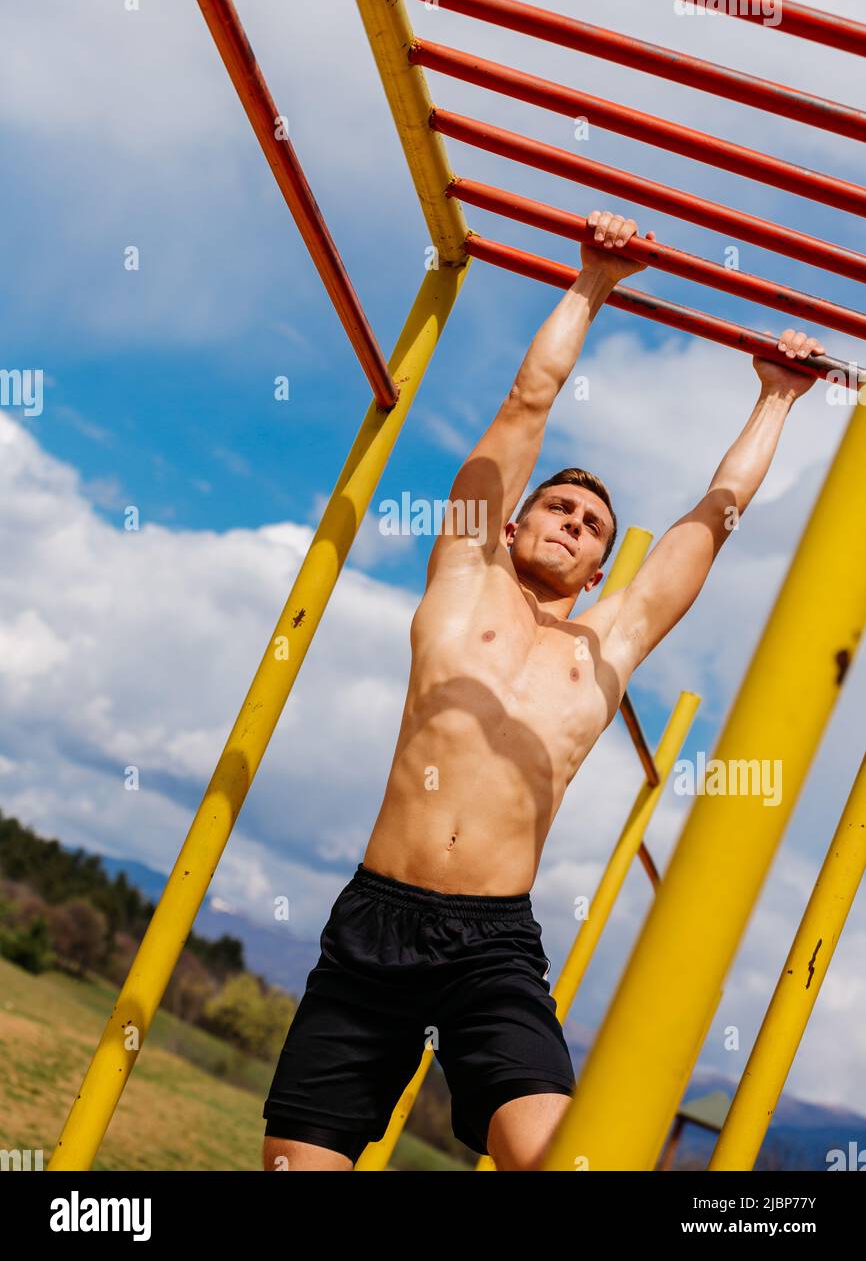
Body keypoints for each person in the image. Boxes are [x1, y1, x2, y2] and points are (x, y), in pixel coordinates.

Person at [262, 209, 826, 1171]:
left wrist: (777, 395)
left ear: (603, 569)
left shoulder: (605, 642)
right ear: (511, 524)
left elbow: (712, 522)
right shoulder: (461, 582)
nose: (572, 523)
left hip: (492, 947)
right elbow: (528, 405)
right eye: (557, 508)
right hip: (374, 925)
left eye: (593, 525)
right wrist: (592, 281)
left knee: (565, 1163)